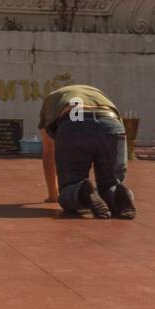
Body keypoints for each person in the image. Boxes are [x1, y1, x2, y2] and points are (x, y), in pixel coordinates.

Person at [39, 83, 136, 220]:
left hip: (74, 123)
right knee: (110, 184)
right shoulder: (98, 93)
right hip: (111, 122)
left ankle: (81, 190)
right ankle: (118, 194)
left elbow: (49, 154)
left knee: (70, 187)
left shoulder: (51, 100)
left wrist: (53, 196)